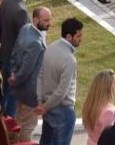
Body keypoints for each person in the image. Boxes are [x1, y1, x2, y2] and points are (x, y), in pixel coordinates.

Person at [37, 17, 83, 145]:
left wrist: (41, 102)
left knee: (45, 141)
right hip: (63, 110)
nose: (81, 39)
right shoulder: (69, 59)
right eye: (78, 36)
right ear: (69, 36)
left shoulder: (50, 47)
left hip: (47, 104)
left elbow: (40, 75)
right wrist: (44, 107)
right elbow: (62, 91)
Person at [11, 6, 52, 142]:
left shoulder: (25, 28)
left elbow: (15, 53)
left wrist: (13, 73)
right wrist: (15, 80)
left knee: (19, 120)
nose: (49, 23)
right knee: (27, 127)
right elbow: (26, 71)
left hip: (21, 90)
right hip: (30, 93)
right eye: (45, 20)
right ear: (35, 20)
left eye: (49, 19)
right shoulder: (36, 43)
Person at [0, 0, 32, 117]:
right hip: (13, 59)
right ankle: (8, 127)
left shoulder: (6, 1)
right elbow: (25, 39)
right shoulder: (20, 10)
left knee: (5, 92)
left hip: (4, 52)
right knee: (11, 96)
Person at [83, 69, 115, 145]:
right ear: (109, 88)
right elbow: (107, 139)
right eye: (114, 83)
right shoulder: (108, 112)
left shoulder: (90, 104)